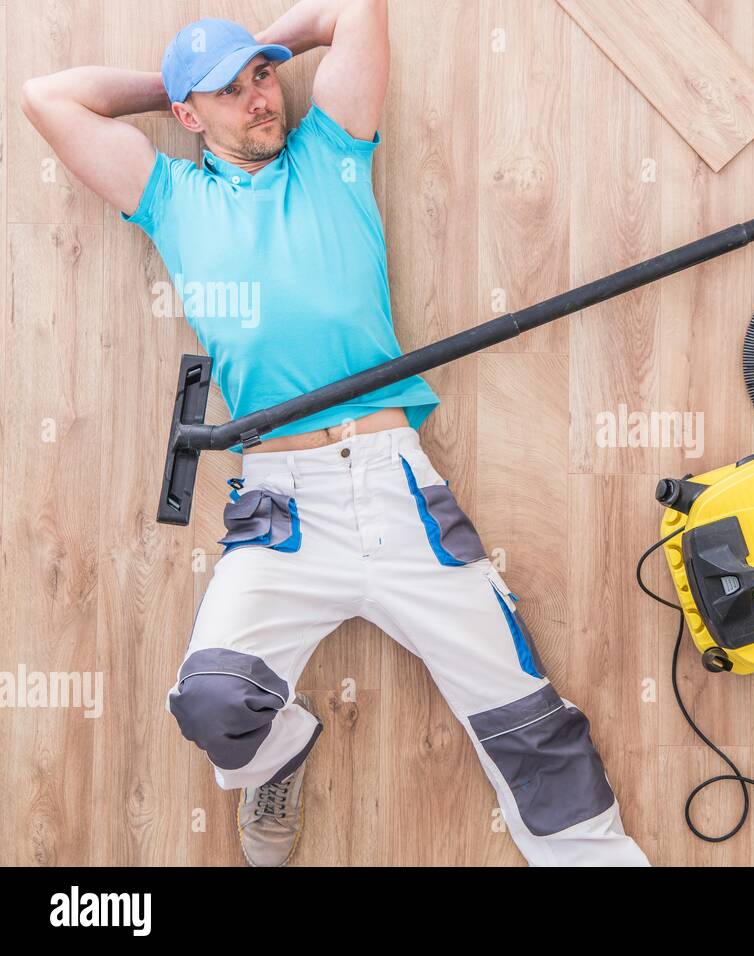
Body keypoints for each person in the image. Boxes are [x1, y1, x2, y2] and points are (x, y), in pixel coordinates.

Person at [20, 0, 648, 867]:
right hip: (281, 510)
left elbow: (359, 9)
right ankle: (280, 752)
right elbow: (46, 96)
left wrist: (275, 40)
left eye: (262, 76)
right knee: (210, 700)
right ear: (186, 115)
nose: (259, 98)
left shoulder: (333, 152)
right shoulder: (168, 195)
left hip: (397, 489)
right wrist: (175, 81)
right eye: (228, 92)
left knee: (525, 715)